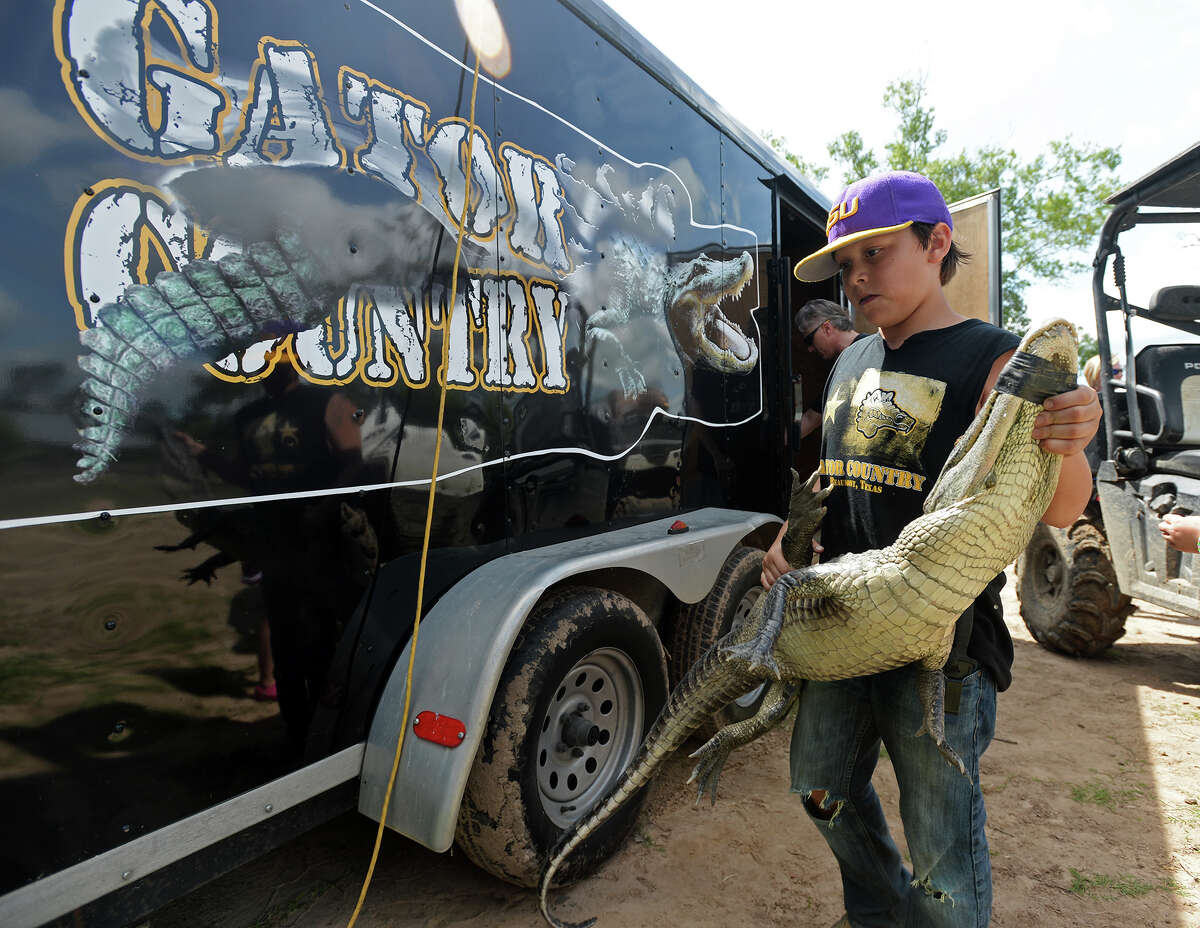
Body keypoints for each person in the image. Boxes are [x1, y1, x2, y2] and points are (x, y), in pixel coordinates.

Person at [761, 170, 1101, 928]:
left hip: (943, 651)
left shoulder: (993, 358)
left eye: (875, 255)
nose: (855, 280)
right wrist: (792, 537)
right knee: (821, 789)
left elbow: (1061, 503)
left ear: (936, 241)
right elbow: (837, 472)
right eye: (845, 268)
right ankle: (882, 911)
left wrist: (1070, 433)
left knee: (941, 843)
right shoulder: (850, 361)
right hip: (844, 628)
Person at [795, 299, 862, 438]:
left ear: (827, 328)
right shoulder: (841, 365)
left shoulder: (873, 349)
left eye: (809, 339)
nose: (810, 348)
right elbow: (811, 419)